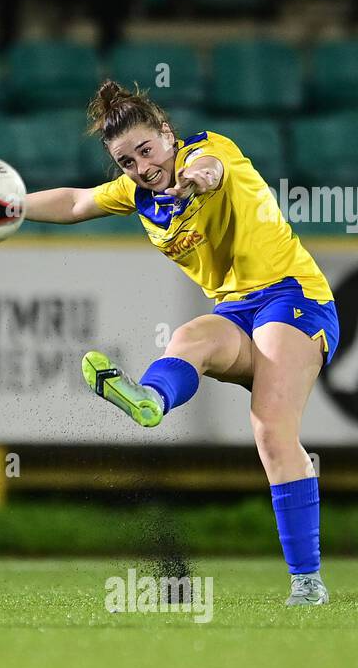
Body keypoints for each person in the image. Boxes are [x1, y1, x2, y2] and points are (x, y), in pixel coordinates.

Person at [24, 80, 339, 606]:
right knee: (189, 336)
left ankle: (307, 583)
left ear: (167, 135)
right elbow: (77, 202)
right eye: (127, 162)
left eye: (146, 150)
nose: (142, 168)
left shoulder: (209, 151)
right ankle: (151, 401)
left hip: (294, 297)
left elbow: (210, 174)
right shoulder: (139, 192)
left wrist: (192, 182)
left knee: (271, 432)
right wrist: (12, 207)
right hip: (237, 311)